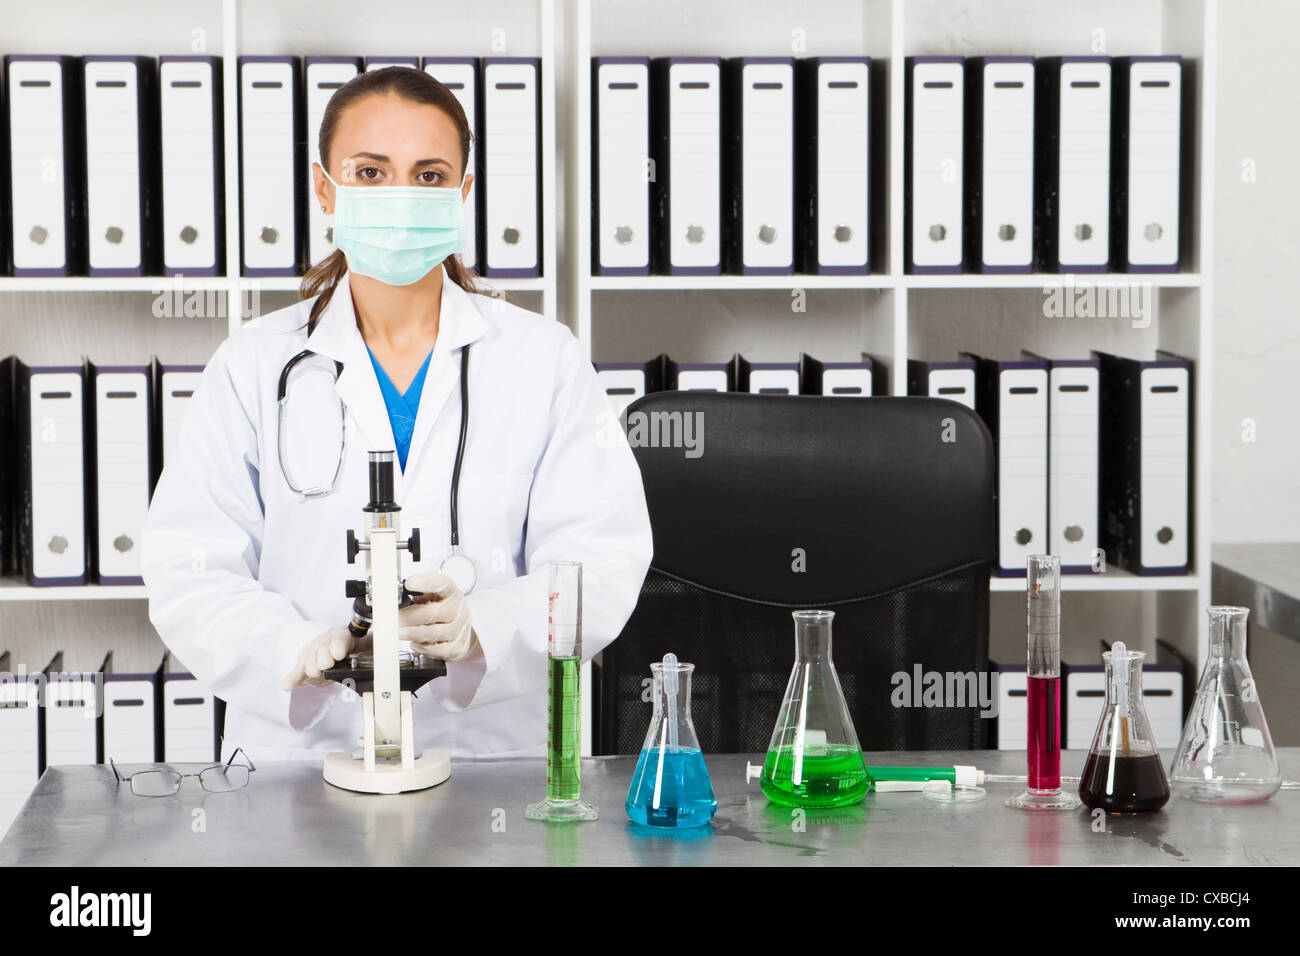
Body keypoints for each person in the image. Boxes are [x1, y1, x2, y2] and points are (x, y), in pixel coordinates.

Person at [140, 67, 653, 763]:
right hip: (301, 767)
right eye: (371, 173)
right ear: (325, 188)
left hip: (490, 763)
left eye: (430, 176)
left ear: (464, 194)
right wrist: (293, 647)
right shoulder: (254, 365)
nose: (402, 198)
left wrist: (485, 628)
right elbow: (188, 569)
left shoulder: (544, 361)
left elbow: (602, 560)